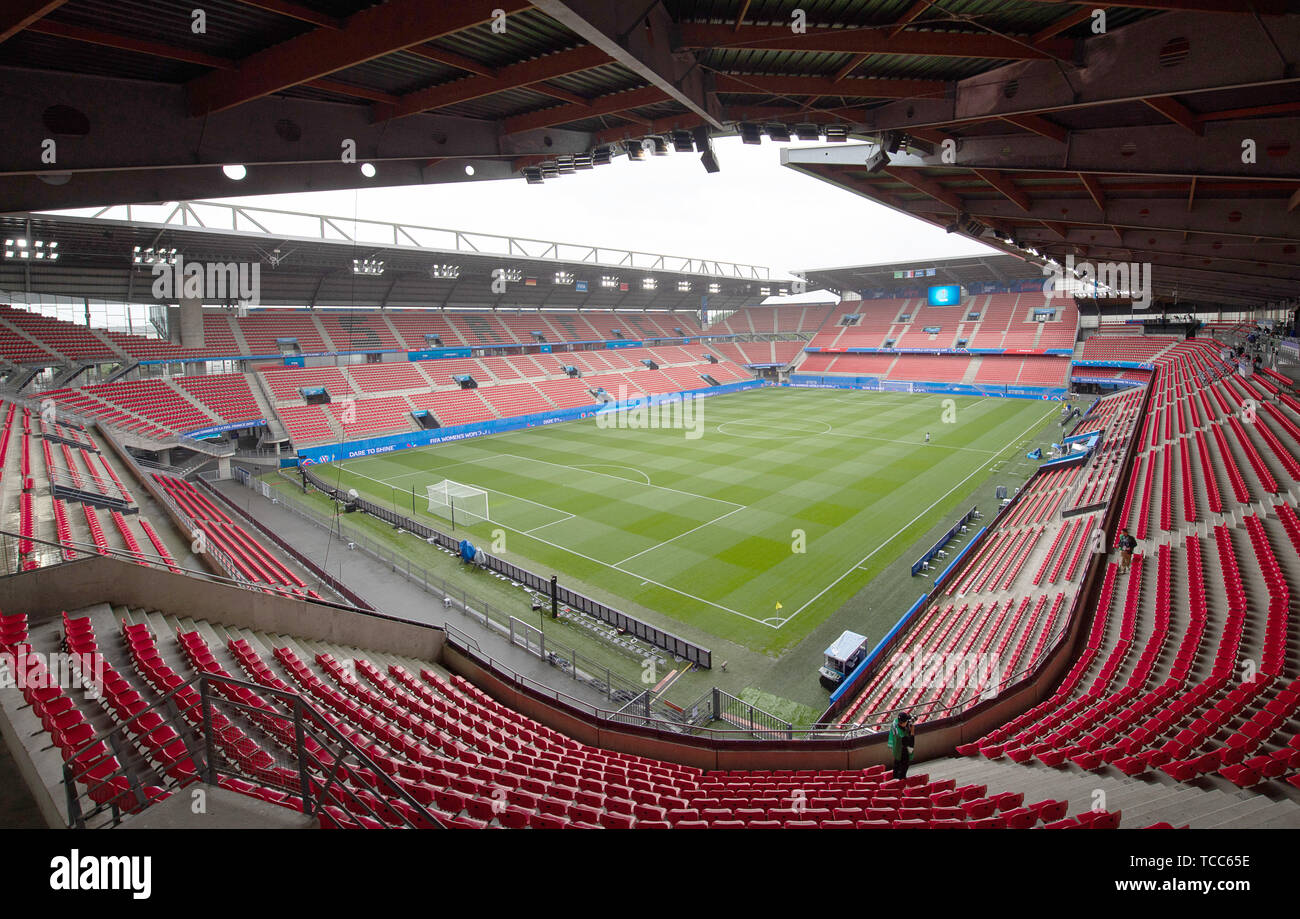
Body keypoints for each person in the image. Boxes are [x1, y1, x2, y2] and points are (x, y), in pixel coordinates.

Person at [888, 711, 915, 780]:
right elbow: (910, 744)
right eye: (906, 721)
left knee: (896, 765)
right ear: (902, 723)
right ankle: (901, 780)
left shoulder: (895, 721)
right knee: (903, 767)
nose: (908, 722)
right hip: (901, 751)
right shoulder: (901, 735)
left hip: (896, 748)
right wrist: (912, 732)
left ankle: (895, 778)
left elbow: (905, 722)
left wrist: (910, 721)